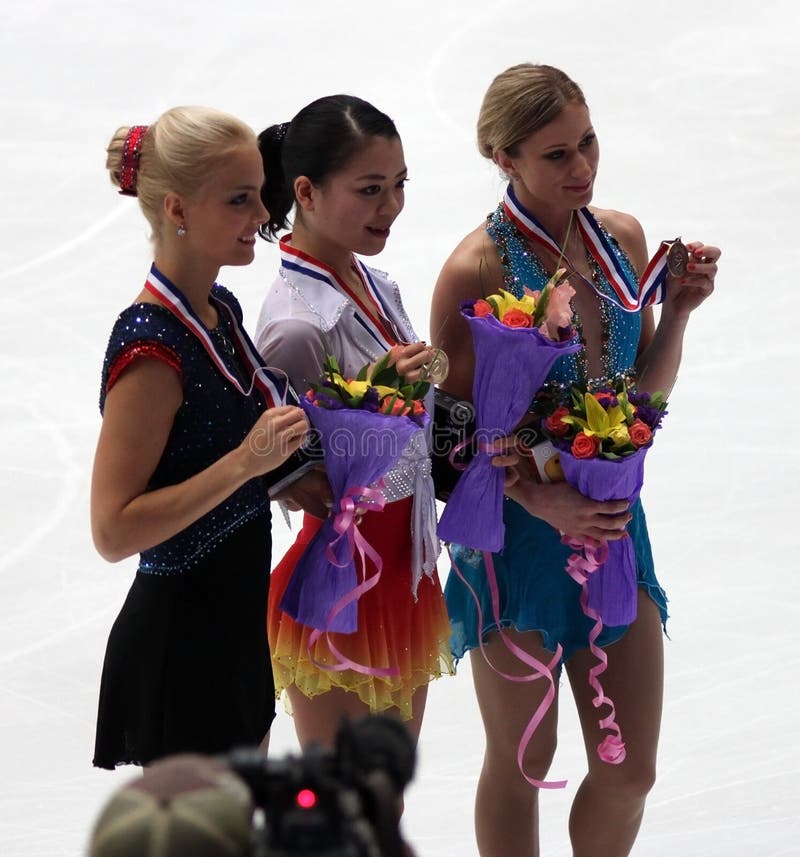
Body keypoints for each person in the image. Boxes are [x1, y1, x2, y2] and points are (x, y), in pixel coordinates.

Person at [430, 64, 719, 857]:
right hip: (515, 544)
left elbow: (633, 405)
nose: (582, 166)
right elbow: (447, 446)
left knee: (631, 773)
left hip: (617, 527)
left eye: (587, 141)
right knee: (525, 761)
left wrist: (680, 316)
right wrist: (539, 502)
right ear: (505, 158)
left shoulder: (621, 238)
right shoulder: (474, 270)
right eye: (556, 154)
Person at [91, 106, 319, 770]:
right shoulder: (151, 349)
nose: (262, 214)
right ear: (177, 207)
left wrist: (291, 477)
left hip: (235, 619)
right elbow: (112, 530)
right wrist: (246, 463)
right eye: (240, 199)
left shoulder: (220, 312)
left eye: (259, 192)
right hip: (183, 633)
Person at [253, 94, 454, 751]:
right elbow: (290, 478)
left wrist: (425, 376)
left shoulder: (371, 280)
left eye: (398, 185)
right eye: (370, 189)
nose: (390, 206)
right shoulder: (294, 327)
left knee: (382, 804)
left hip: (403, 561)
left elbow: (406, 410)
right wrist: (381, 396)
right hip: (346, 580)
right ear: (305, 192)